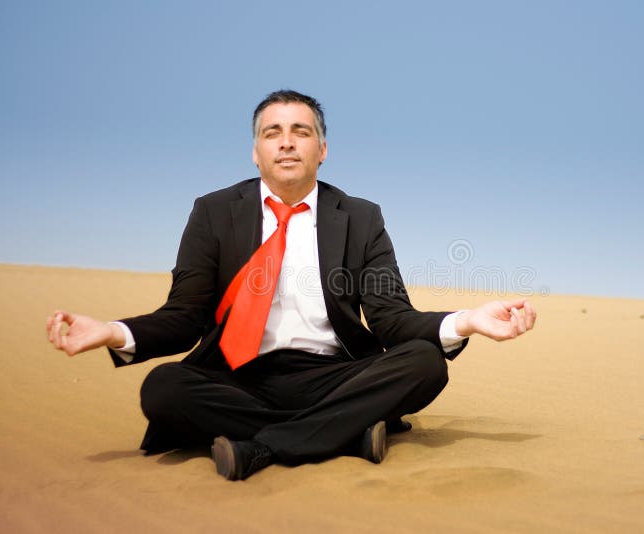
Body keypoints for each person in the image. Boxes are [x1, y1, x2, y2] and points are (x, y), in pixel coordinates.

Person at [46, 90, 536, 481]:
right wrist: (112, 331)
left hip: (332, 376)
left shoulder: (361, 218)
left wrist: (468, 320)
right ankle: (345, 433)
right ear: (255, 151)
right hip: (239, 379)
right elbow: (185, 316)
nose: (286, 142)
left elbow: (392, 318)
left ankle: (263, 447)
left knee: (426, 362)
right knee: (163, 387)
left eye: (301, 132)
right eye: (272, 132)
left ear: (321, 150)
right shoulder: (214, 212)